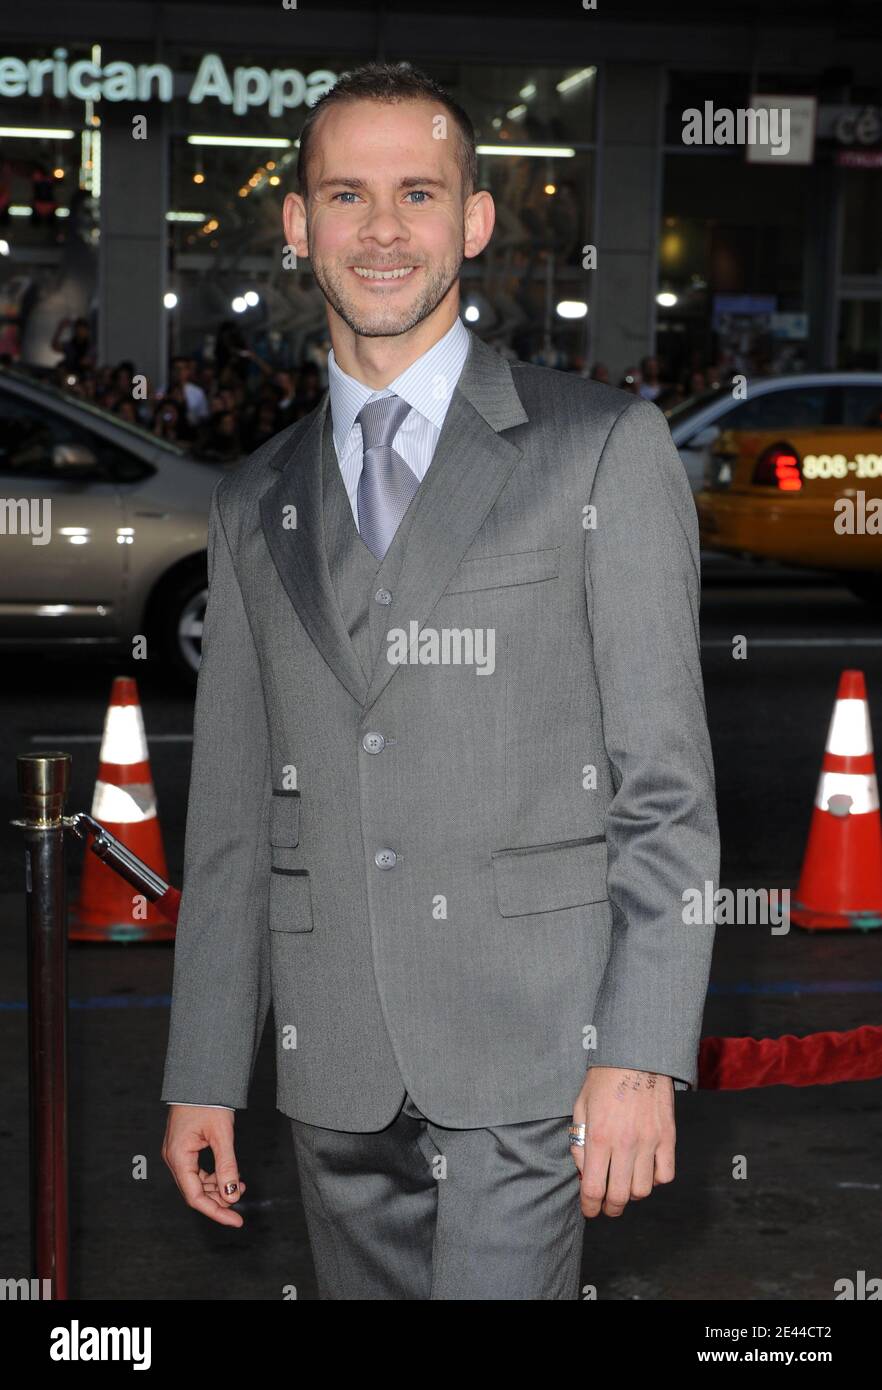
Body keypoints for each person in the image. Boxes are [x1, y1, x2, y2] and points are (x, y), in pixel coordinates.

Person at [161, 60, 719, 1302]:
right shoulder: (254, 496)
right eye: (346, 195)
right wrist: (204, 1066)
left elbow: (666, 790)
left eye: (418, 193)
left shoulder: (597, 450)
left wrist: (638, 1052)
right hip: (334, 1060)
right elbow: (234, 821)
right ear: (299, 225)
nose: (381, 230)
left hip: (535, 1052)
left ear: (472, 221)